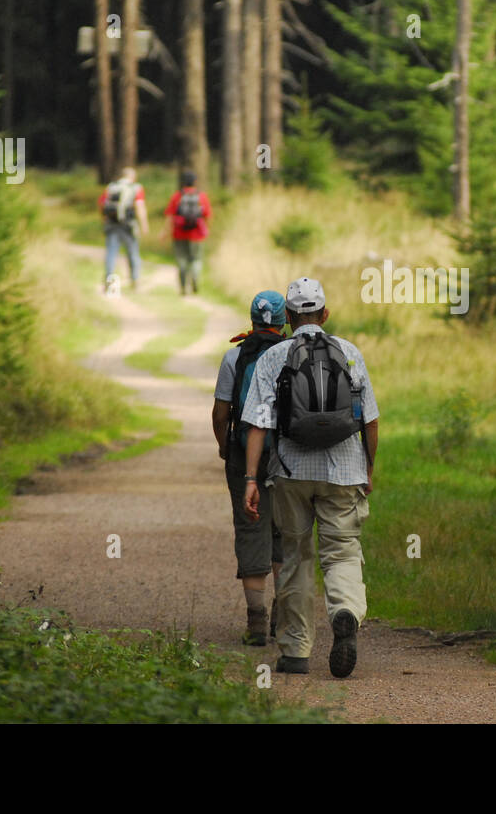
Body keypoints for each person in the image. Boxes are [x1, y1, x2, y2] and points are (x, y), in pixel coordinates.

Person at [241, 278, 379, 678]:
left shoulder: (274, 357)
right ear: (325, 313)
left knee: (296, 558)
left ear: (288, 317)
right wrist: (367, 469)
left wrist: (251, 479)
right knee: (342, 551)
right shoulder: (349, 353)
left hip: (291, 472)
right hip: (344, 471)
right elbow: (370, 420)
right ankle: (346, 612)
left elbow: (258, 426)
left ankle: (296, 651)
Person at [212, 291, 288, 646]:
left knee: (251, 526)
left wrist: (226, 448)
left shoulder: (234, 356)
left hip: (245, 453)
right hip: (289, 454)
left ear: (253, 320)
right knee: (285, 531)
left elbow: (221, 412)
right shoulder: (293, 354)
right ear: (282, 320)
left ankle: (256, 623)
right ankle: (283, 617)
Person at [98, 166, 148, 291]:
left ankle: (110, 285)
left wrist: (105, 220)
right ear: (133, 176)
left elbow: (102, 205)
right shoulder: (136, 188)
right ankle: (135, 281)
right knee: (133, 253)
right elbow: (139, 207)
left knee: (111, 254)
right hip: (129, 226)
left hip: (112, 225)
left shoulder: (111, 187)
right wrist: (144, 225)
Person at [162, 170, 211, 296]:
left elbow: (170, 216)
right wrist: (205, 230)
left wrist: (165, 232)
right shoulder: (202, 196)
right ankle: (195, 277)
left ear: (183, 182)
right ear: (195, 182)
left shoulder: (177, 196)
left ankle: (183, 287)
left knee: (182, 261)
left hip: (179, 234)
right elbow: (207, 216)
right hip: (197, 235)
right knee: (196, 259)